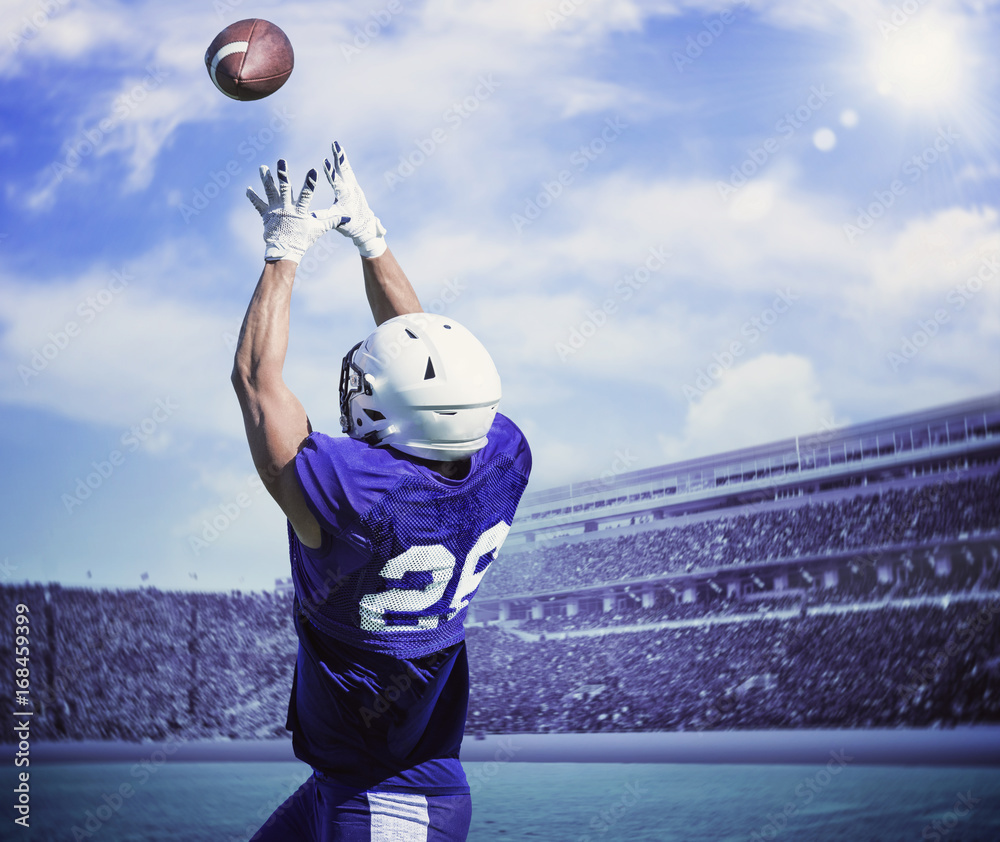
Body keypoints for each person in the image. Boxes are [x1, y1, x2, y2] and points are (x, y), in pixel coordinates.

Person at [231, 141, 531, 841]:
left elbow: (256, 383)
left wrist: (284, 252)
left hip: (393, 794)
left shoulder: (357, 496)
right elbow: (431, 364)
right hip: (351, 779)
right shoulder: (500, 460)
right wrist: (373, 241)